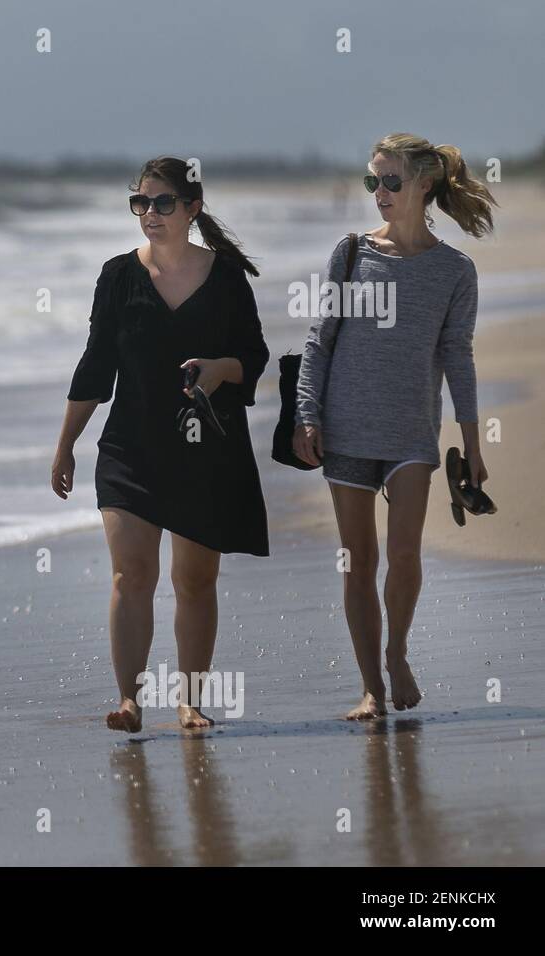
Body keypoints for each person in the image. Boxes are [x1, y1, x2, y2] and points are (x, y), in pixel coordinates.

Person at [52, 156, 270, 733]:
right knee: (131, 574)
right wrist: (66, 443)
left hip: (206, 448)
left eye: (162, 203)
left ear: (192, 208)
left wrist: (218, 371)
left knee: (194, 581)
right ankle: (129, 699)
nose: (149, 213)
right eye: (140, 203)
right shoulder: (117, 276)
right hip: (131, 447)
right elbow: (96, 365)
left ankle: (191, 702)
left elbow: (253, 359)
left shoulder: (224, 277)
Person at [294, 133, 497, 720]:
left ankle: (398, 654)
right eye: (372, 181)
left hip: (412, 431)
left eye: (391, 181)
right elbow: (320, 340)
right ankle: (370, 690)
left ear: (423, 185)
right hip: (346, 427)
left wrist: (471, 439)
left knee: (404, 553)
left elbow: (458, 353)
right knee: (359, 560)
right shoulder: (353, 252)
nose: (379, 193)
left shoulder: (455, 270)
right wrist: (308, 413)